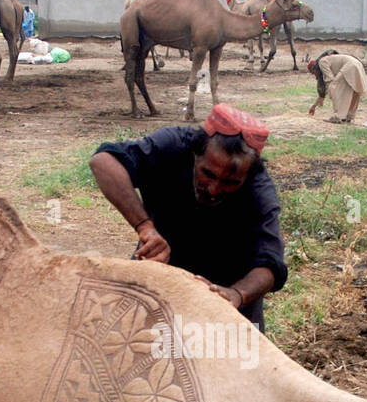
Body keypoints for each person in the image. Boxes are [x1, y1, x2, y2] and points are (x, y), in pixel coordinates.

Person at [88, 103, 287, 332]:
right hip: (159, 283)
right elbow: (103, 161)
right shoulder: (174, 145)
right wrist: (146, 229)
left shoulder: (259, 191)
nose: (213, 189)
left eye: (230, 183)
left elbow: (271, 263)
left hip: (224, 303)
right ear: (195, 153)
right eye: (207, 174)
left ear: (247, 177)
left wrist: (236, 294)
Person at [307, 49, 367, 124]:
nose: (315, 75)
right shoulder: (331, 59)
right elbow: (321, 94)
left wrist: (331, 92)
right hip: (357, 64)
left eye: (313, 72)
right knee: (353, 91)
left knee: (334, 87)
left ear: (314, 68)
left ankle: (338, 117)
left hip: (350, 65)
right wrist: (314, 106)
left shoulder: (322, 62)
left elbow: (330, 79)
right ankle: (349, 117)